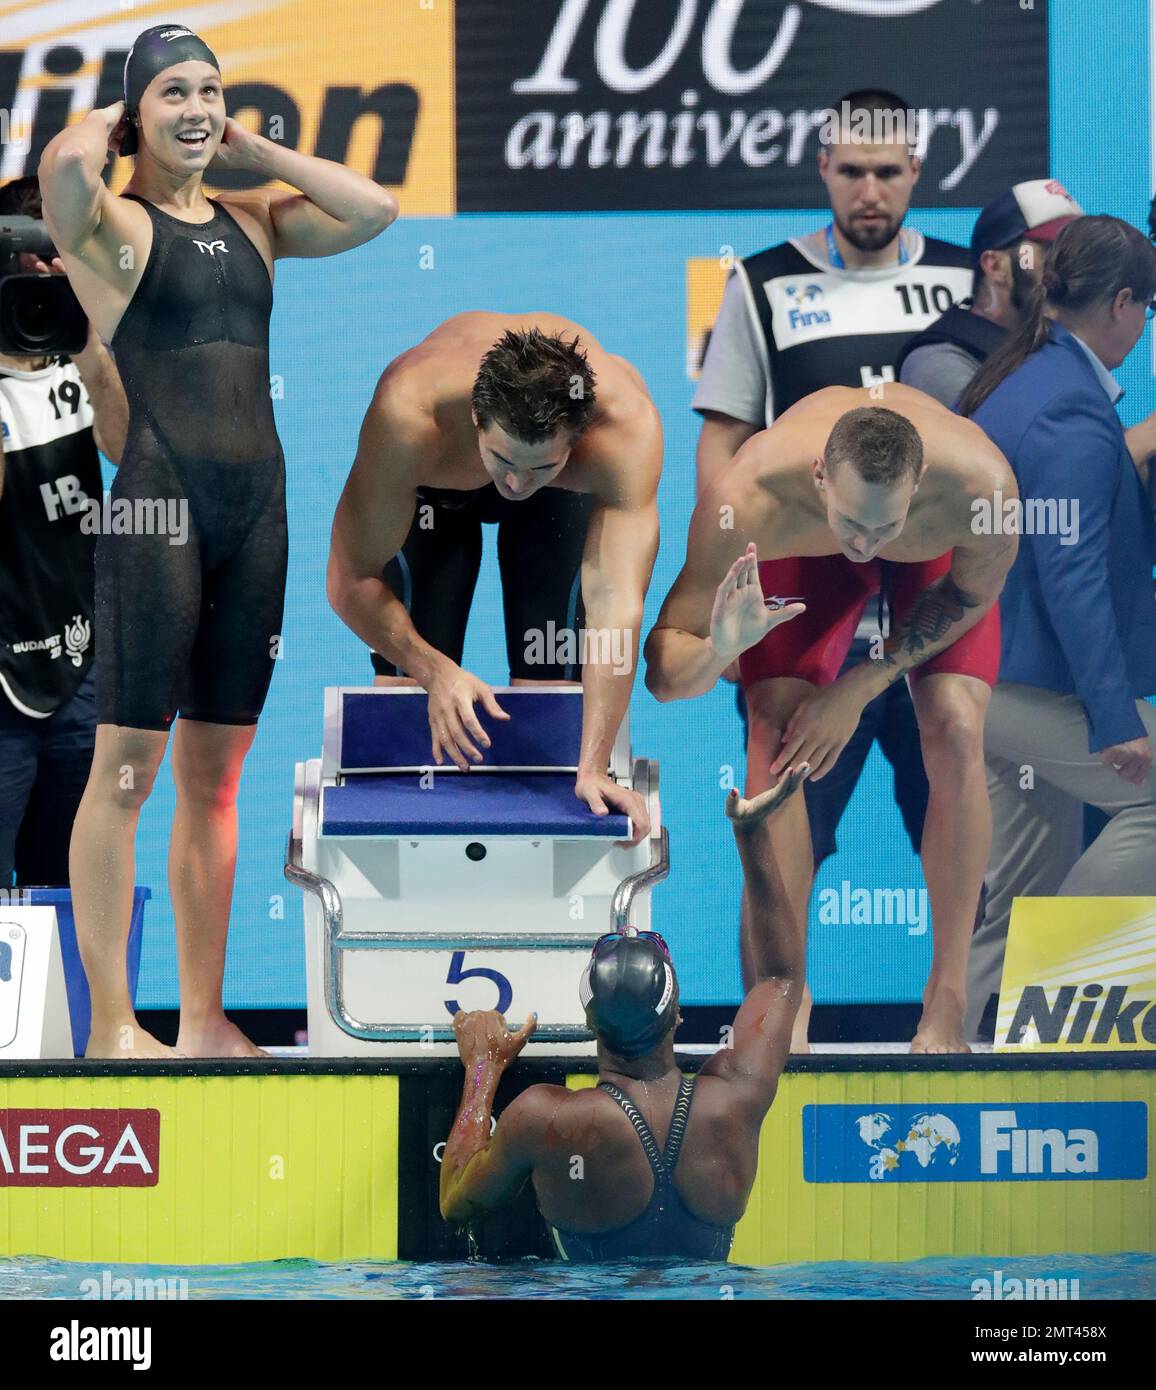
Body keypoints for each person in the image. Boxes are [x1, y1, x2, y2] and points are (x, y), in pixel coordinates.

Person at [38, 24, 397, 1057]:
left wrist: (257, 149)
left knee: (217, 779)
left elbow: (375, 210)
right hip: (156, 510)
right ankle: (113, 1022)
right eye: (173, 95)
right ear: (132, 112)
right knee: (122, 773)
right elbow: (64, 163)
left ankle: (200, 1017)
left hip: (257, 516)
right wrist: (118, 116)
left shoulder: (255, 220)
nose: (197, 106)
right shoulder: (110, 226)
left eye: (210, 89)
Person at [693, 89, 973, 1046]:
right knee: (777, 769)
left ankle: (948, 1009)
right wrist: (732, 577)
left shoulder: (967, 281)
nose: (869, 190)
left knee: (955, 739)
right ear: (823, 169)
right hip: (812, 569)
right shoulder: (762, 282)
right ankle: (779, 1015)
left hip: (924, 566)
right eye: (851, 170)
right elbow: (724, 449)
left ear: (917, 174)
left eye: (888, 172)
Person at [645, 384, 1019, 1054]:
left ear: (922, 481)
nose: (866, 543)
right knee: (773, 724)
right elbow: (664, 677)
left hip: (929, 566)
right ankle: (785, 995)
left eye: (884, 528)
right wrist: (722, 647)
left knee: (957, 724)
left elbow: (968, 596)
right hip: (798, 546)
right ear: (821, 475)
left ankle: (948, 996)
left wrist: (862, 685)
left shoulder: (983, 490)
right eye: (853, 522)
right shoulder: (752, 497)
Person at [438, 764, 809, 1260]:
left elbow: (456, 1204)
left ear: (590, 1021)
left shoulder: (543, 1117)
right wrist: (751, 833)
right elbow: (780, 978)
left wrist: (482, 1068)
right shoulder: (737, 1095)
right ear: (676, 1014)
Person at [327, 314, 662, 839]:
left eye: (540, 467)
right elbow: (350, 580)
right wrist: (434, 670)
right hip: (437, 493)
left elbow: (617, 607)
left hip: (558, 504)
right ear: (476, 419)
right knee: (409, 694)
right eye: (502, 458)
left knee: (549, 695)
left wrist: (593, 764)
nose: (514, 481)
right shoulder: (410, 416)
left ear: (579, 439)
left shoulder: (624, 432)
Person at [956, 215, 1156, 1040]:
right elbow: (1072, 578)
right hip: (1026, 682)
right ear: (1118, 303)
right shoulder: (1070, 409)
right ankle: (1059, 1006)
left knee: (1022, 886)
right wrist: (1116, 721)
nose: (1146, 328)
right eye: (1147, 308)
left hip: (987, 681)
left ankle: (959, 1062)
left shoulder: (1022, 376)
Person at [0, 175, 128, 888]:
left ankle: (79, 1008)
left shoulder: (89, 359)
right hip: (1, 678)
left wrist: (85, 344)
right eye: (30, 260)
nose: (45, 279)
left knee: (70, 886)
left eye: (62, 259)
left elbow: (129, 453)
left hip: (80, 667)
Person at [898, 179, 1084, 409]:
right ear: (995, 266)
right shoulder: (938, 363)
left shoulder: (1059, 348)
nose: (1067, 268)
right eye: (1051, 252)